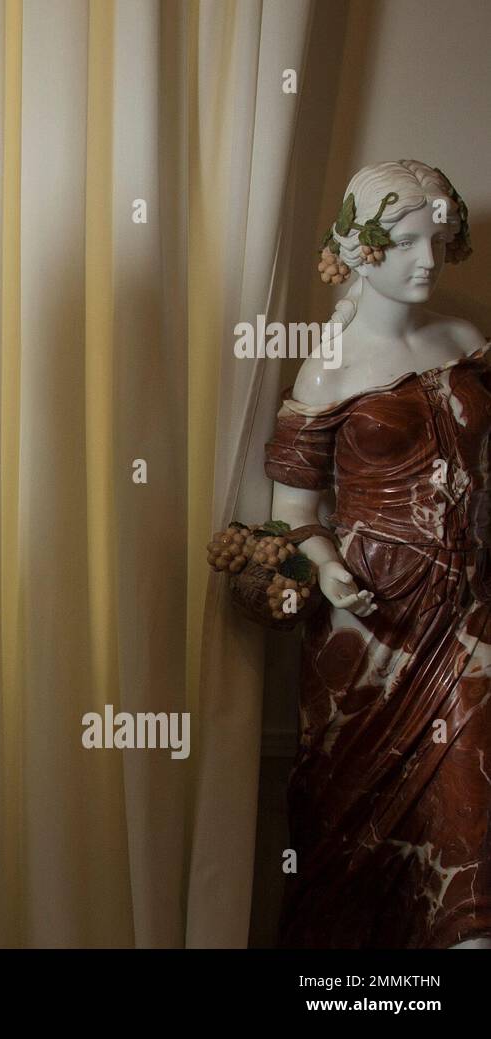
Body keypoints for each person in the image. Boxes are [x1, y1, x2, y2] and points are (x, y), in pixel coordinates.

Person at [264, 159, 491, 948]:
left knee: (469, 815)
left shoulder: (467, 342)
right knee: (346, 846)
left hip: (467, 625)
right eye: (404, 244)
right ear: (360, 250)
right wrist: (325, 568)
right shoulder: (327, 365)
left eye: (437, 241)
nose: (426, 260)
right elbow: (292, 511)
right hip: (370, 632)